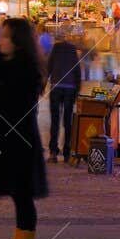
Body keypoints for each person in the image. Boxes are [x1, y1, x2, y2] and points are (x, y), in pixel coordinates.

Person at [0, 17, 49, 239]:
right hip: (9, 142)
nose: (1, 41)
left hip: (21, 143)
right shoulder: (10, 64)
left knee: (23, 196)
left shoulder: (26, 69)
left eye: (5, 36)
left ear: (17, 41)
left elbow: (11, 99)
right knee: (18, 196)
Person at [45, 27, 82, 162]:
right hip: (70, 88)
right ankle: (67, 152)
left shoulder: (55, 48)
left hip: (56, 87)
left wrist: (43, 85)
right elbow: (77, 70)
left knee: (55, 121)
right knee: (67, 121)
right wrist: (77, 90)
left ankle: (53, 152)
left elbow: (48, 67)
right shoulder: (72, 49)